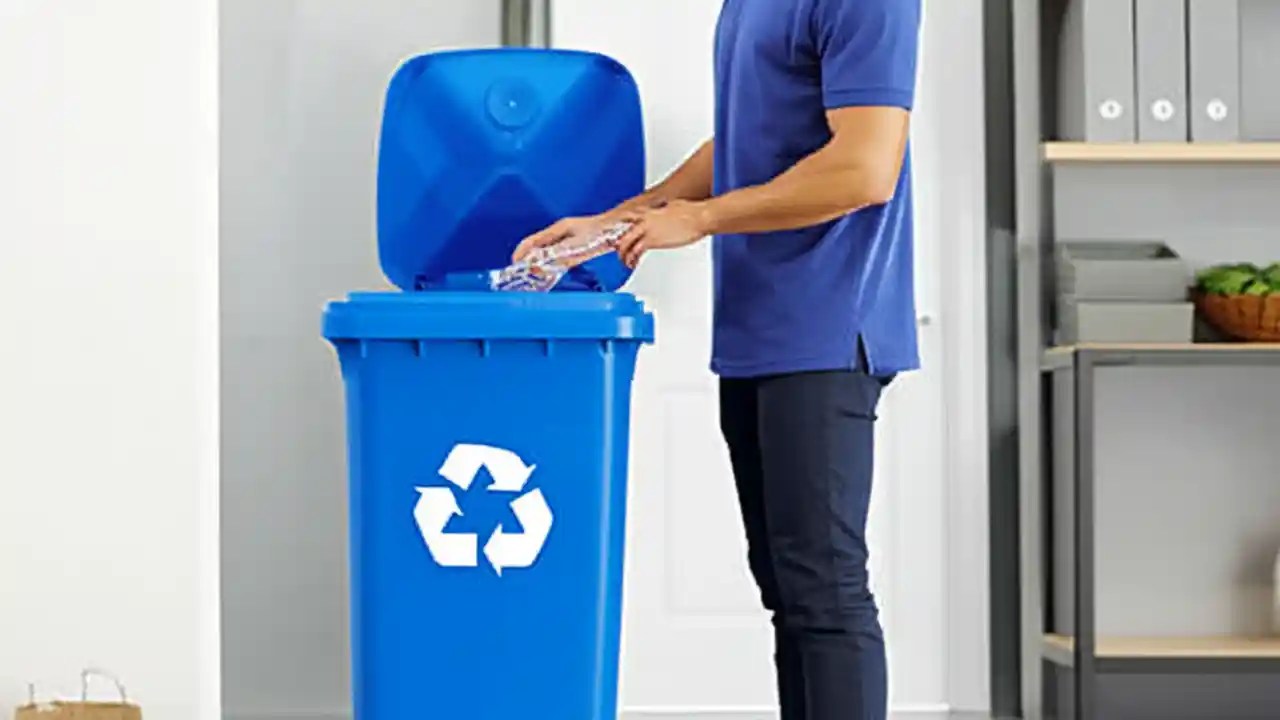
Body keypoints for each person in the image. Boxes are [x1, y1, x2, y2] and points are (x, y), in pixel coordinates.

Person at [515, 1, 922, 718]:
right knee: (789, 591)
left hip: (828, 328)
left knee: (824, 592)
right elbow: (746, 141)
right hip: (758, 328)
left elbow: (864, 167)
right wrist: (622, 220)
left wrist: (700, 219)